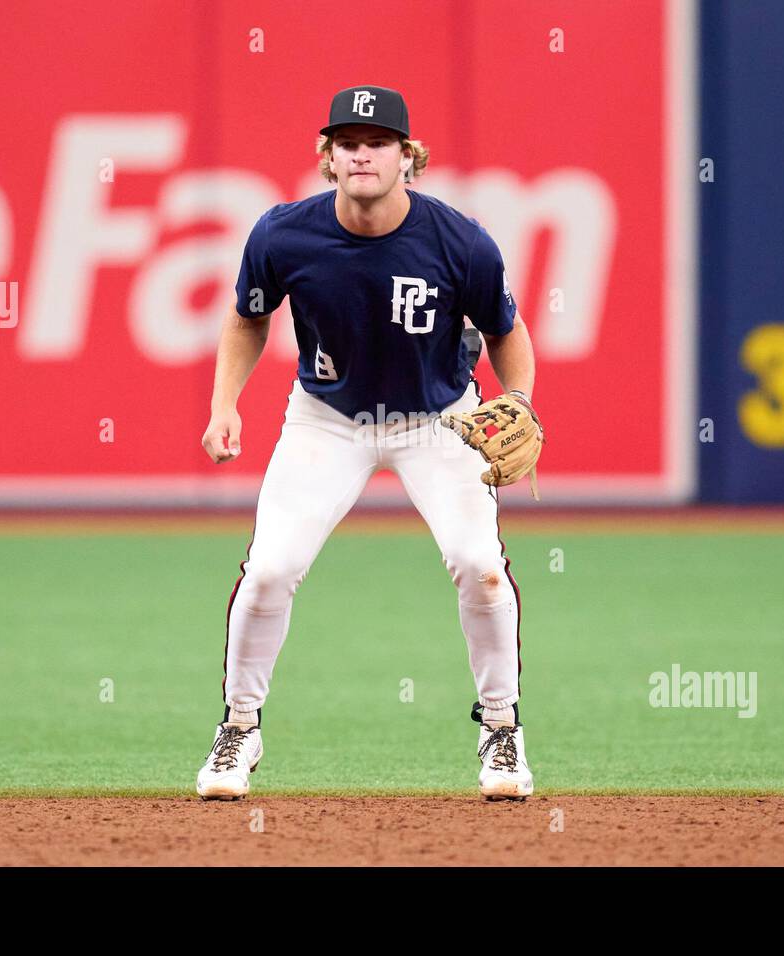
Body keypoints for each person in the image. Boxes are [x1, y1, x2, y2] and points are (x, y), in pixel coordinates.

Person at [196, 85, 539, 801]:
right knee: (269, 570)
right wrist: (225, 401)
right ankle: (238, 726)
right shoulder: (283, 234)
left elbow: (506, 331)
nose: (362, 153)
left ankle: (502, 729)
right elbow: (246, 318)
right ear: (328, 158)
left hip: (437, 420)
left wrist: (519, 401)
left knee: (479, 565)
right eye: (347, 142)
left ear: (408, 157)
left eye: (379, 141)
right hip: (328, 419)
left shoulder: (459, 240)